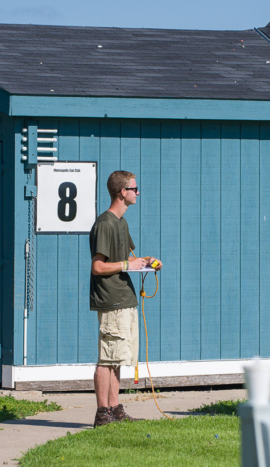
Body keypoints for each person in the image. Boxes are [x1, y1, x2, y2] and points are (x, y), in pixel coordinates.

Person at [88, 170, 161, 427]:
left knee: (119, 359)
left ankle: (115, 409)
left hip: (126, 299)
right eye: (134, 188)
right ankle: (101, 414)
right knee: (106, 359)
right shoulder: (105, 224)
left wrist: (146, 262)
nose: (137, 192)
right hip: (111, 301)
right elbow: (98, 267)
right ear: (123, 192)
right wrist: (125, 266)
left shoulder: (122, 223)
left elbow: (126, 260)